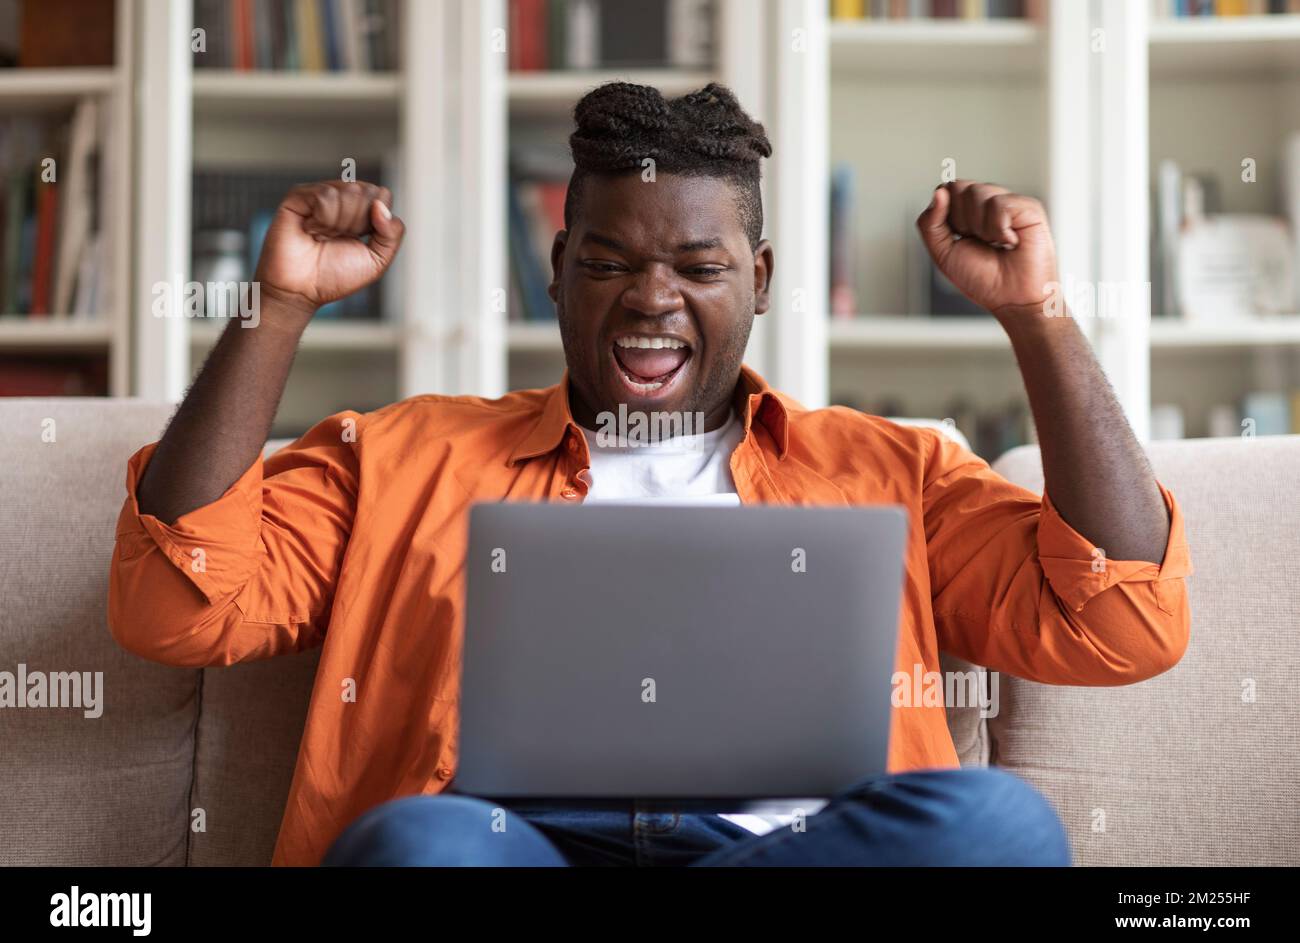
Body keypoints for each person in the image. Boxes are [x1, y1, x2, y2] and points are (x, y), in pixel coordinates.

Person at [108, 82, 1191, 867]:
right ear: (558, 275)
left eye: (699, 266)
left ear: (758, 280)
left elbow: (1121, 623)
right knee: (416, 841)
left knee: (994, 827)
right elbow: (173, 605)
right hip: (504, 847)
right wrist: (280, 306)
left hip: (780, 853)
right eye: (611, 262)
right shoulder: (399, 455)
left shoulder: (891, 469)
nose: (650, 296)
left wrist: (1034, 314)